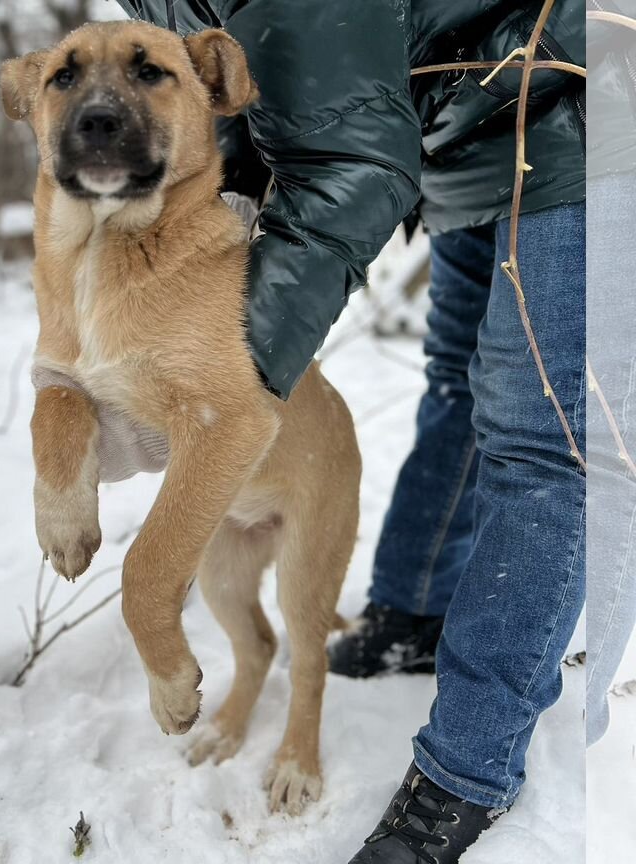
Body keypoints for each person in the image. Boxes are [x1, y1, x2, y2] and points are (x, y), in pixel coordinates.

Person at [118, 2, 586, 860]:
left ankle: (466, 771)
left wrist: (229, 380)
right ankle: (410, 611)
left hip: (587, 103)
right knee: (456, 379)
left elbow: (352, 162)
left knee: (541, 433)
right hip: (470, 128)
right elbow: (281, 98)